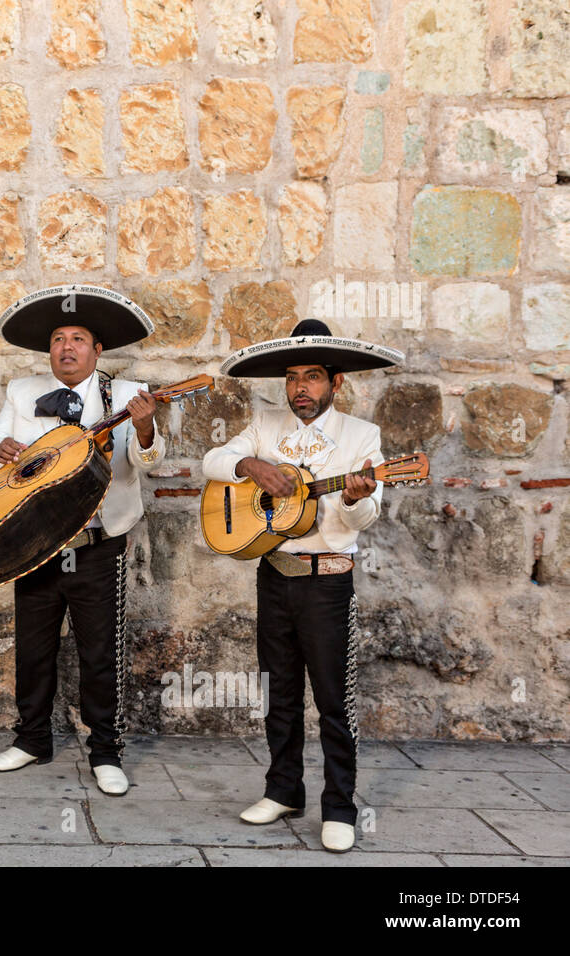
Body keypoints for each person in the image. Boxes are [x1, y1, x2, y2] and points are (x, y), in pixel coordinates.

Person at [202, 318, 403, 851]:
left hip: (328, 584)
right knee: (279, 692)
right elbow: (211, 461)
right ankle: (283, 789)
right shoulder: (266, 424)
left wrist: (357, 497)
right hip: (275, 576)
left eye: (312, 377)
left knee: (335, 700)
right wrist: (250, 466)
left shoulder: (362, 437)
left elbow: (365, 519)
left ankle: (339, 806)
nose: (300, 388)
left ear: (335, 384)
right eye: (293, 377)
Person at [0, 285, 164, 796]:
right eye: (59, 339)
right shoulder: (21, 391)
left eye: (78, 339)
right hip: (35, 545)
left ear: (97, 350)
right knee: (33, 648)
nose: (66, 347)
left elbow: (145, 463)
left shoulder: (127, 397)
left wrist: (145, 431)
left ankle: (106, 751)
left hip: (98, 545)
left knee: (99, 651)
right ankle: (31, 739)